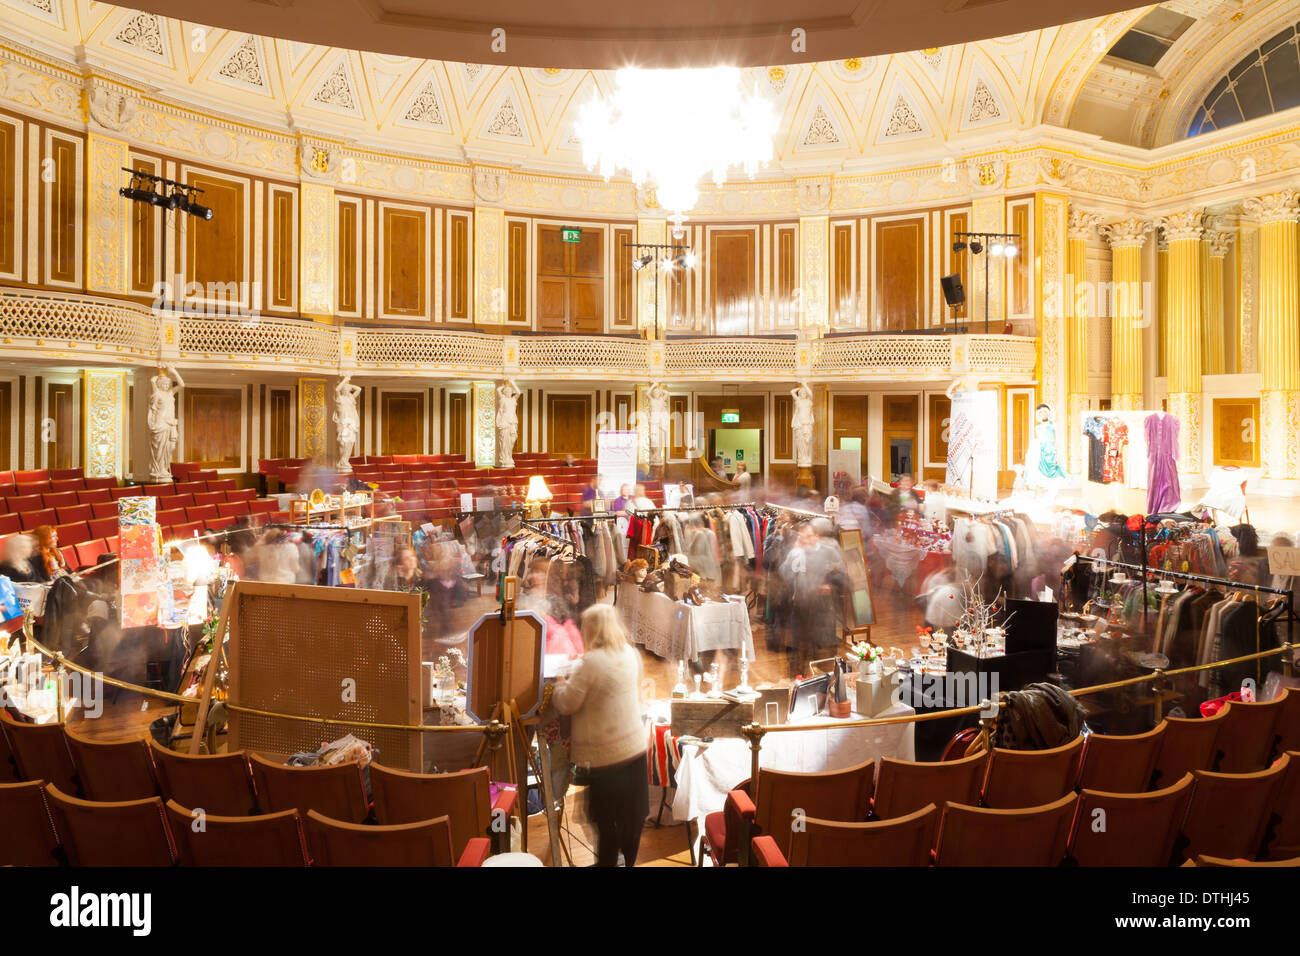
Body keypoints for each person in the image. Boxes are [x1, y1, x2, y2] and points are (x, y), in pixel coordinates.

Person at [551, 604, 647, 867]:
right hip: (635, 748)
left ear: (591, 629)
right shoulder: (630, 653)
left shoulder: (589, 663)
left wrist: (560, 683)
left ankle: (607, 862)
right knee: (631, 818)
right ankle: (626, 862)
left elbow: (567, 703)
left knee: (605, 822)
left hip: (606, 757)